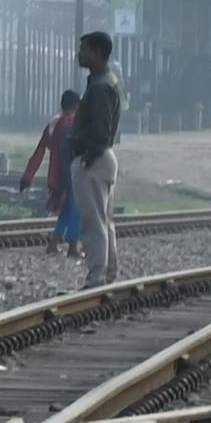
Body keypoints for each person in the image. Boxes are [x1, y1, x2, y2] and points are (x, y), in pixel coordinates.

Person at [47, 29, 125, 272]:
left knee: (93, 223)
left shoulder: (100, 87)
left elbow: (101, 131)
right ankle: (109, 271)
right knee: (104, 220)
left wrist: (85, 160)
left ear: (98, 52)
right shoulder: (105, 80)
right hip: (101, 158)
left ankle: (96, 274)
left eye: (84, 49)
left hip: (94, 159)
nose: (79, 54)